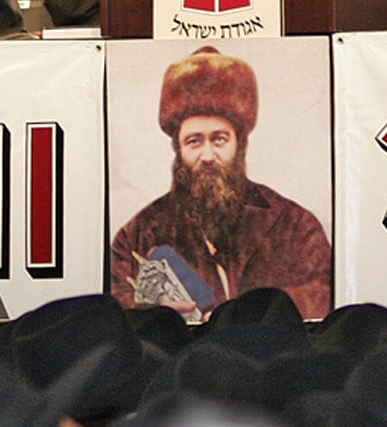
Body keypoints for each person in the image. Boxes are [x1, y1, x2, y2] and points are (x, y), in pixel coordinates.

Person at [110, 47, 332, 320]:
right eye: (194, 141)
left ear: (240, 144)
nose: (207, 156)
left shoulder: (296, 227)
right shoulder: (137, 236)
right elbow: (118, 316)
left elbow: (320, 303)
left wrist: (241, 317)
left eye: (219, 140)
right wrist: (154, 317)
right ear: (178, 148)